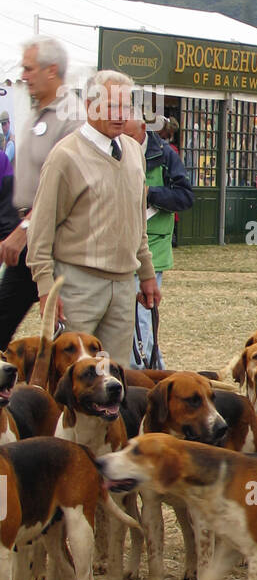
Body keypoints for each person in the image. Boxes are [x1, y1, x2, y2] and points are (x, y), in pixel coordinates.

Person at [26, 70, 160, 361]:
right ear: (89, 106)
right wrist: (46, 287)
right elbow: (41, 229)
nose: (120, 115)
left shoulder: (135, 152)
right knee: (74, 377)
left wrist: (146, 273)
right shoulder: (65, 156)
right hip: (77, 285)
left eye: (126, 107)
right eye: (111, 106)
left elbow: (137, 221)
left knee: (114, 376)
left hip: (125, 285)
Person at [0, 37, 82, 350]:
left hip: (57, 245)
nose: (23, 75)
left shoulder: (72, 119)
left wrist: (24, 230)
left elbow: (62, 191)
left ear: (52, 71)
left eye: (29, 68)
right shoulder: (37, 115)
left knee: (69, 341)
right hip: (29, 238)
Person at [121, 113, 194, 367]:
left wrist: (150, 193)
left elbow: (186, 196)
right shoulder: (115, 149)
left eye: (129, 136)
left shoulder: (165, 155)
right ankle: (156, 372)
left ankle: (143, 374)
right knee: (130, 322)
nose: (125, 140)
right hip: (120, 244)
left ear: (143, 129)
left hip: (153, 245)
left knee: (141, 320)